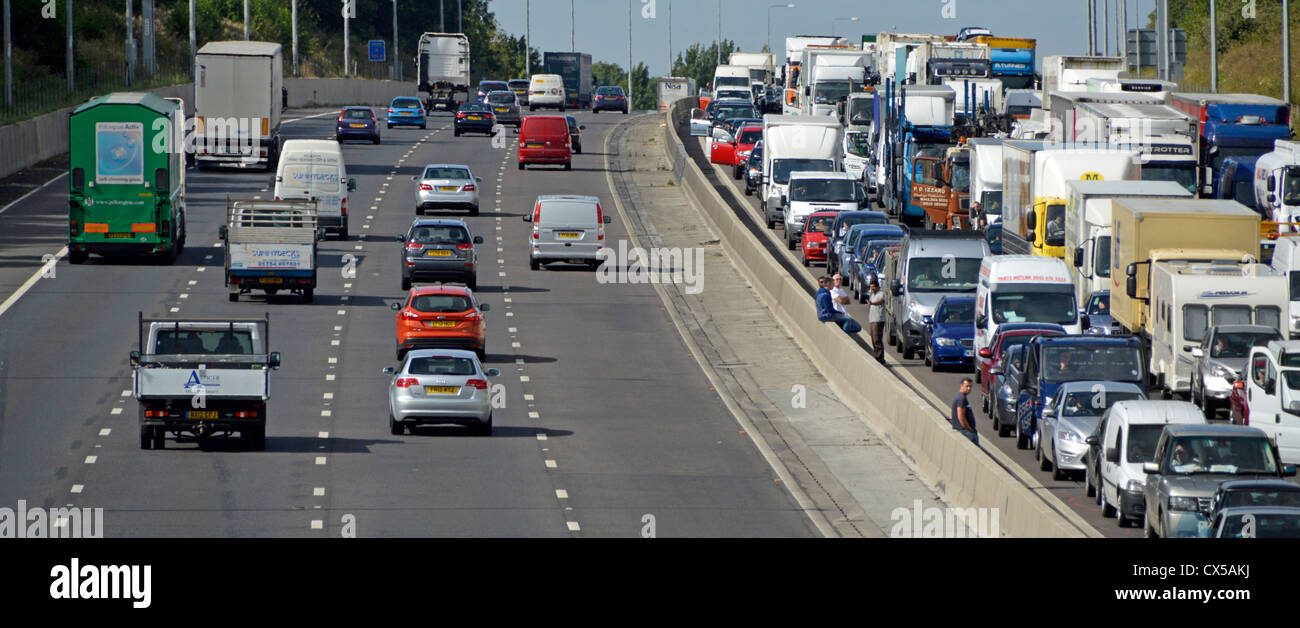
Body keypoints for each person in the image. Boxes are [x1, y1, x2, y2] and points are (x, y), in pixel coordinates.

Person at [951, 378, 979, 445]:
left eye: (970, 386)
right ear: (961, 386)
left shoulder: (961, 397)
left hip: (965, 430)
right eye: (967, 386)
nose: (969, 388)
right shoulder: (961, 399)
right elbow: (961, 416)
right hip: (965, 432)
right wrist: (969, 429)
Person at [867, 280, 886, 361]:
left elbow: (880, 301)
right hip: (872, 319)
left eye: (874, 287)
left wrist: (872, 303)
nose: (872, 289)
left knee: (877, 338)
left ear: (878, 287)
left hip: (878, 320)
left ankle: (880, 357)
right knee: (873, 338)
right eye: (871, 287)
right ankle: (876, 354)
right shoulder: (872, 295)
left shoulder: (881, 294)